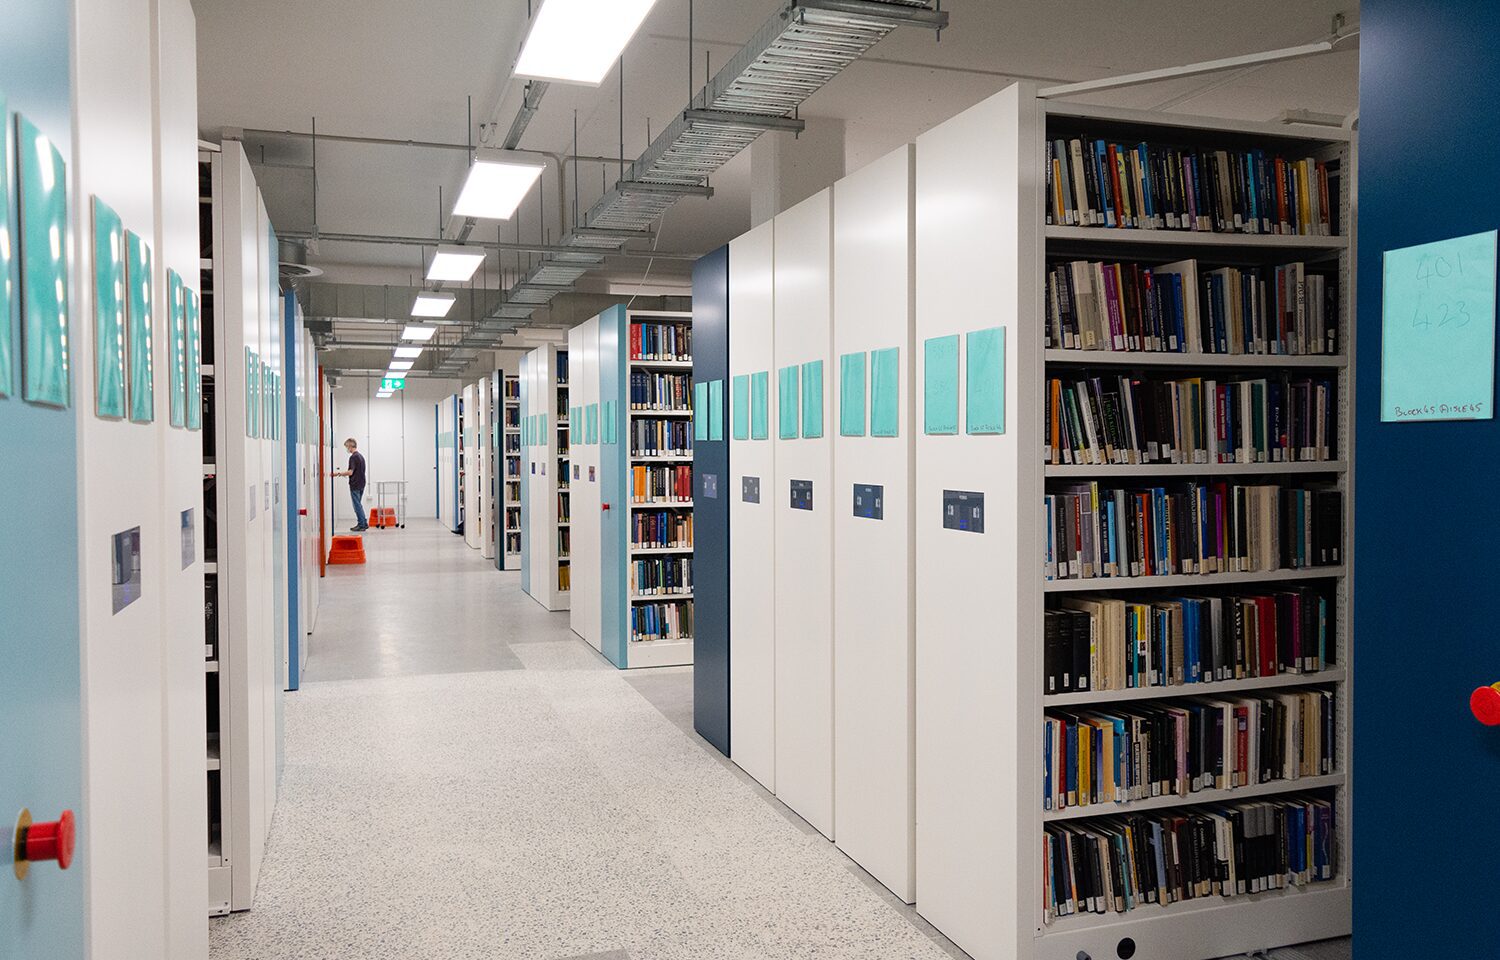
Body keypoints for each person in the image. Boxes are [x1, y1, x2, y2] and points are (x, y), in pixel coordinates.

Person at [333, 438, 368, 531]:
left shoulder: (353, 457)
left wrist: (338, 474)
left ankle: (361, 524)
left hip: (355, 484)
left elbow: (350, 472)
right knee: (358, 505)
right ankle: (364, 523)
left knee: (357, 506)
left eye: (347, 447)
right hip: (362, 483)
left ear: (350, 446)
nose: (347, 449)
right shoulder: (361, 456)